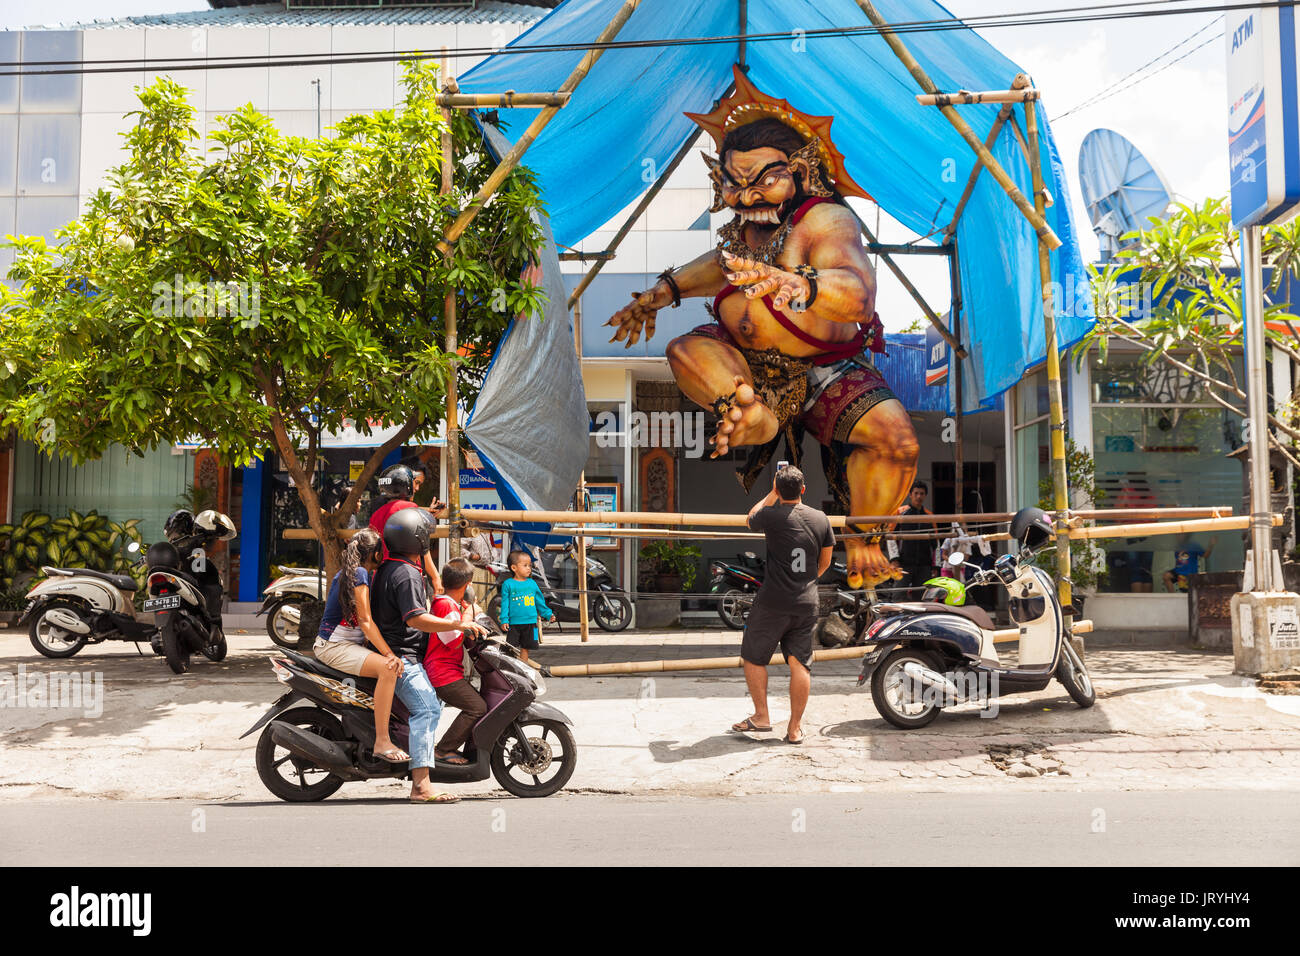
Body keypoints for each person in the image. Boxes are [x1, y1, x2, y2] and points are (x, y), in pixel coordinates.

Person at [370, 507, 487, 803]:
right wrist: (457, 623)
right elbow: (415, 619)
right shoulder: (406, 574)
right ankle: (421, 785)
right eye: (427, 537)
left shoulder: (388, 567)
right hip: (401, 659)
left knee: (429, 705)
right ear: (417, 540)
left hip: (396, 653)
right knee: (428, 710)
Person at [732, 464, 833, 745]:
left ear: (778, 488)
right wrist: (805, 583)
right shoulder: (821, 519)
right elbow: (824, 563)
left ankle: (762, 716)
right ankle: (794, 729)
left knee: (753, 656)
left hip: (773, 600)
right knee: (800, 663)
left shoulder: (772, 515)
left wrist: (771, 493)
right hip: (807, 600)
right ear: (803, 489)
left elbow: (750, 517)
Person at [312, 529, 408, 763]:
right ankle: (382, 741)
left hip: (339, 645)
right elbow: (365, 622)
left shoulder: (354, 572)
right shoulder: (360, 573)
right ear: (376, 554)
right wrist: (389, 654)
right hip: (334, 646)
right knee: (388, 668)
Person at [423, 558, 489, 765]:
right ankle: (444, 749)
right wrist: (466, 619)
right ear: (468, 584)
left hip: (446, 671)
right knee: (477, 707)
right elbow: (450, 641)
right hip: (443, 673)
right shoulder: (447, 606)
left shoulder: (447, 603)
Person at [369, 462, 443, 592]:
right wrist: (436, 577)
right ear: (405, 485)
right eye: (415, 482)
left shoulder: (376, 515)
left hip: (380, 577)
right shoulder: (410, 509)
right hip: (407, 575)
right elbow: (422, 546)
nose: (417, 488)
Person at [498, 548, 554, 665]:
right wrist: (504, 619)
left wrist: (548, 614)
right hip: (514, 623)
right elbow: (505, 603)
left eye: (529, 565)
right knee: (510, 648)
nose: (529, 568)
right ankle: (511, 667)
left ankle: (523, 668)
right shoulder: (508, 584)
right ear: (514, 568)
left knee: (526, 647)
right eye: (525, 565)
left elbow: (539, 602)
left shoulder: (532, 584)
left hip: (531, 623)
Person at [897, 481, 937, 594]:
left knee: (921, 597)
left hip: (924, 565)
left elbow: (936, 543)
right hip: (903, 563)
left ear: (925, 495)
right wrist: (894, 560)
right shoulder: (900, 512)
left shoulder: (929, 516)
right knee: (897, 595)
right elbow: (891, 539)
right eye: (916, 493)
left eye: (922, 493)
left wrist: (936, 565)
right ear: (910, 495)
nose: (919, 496)